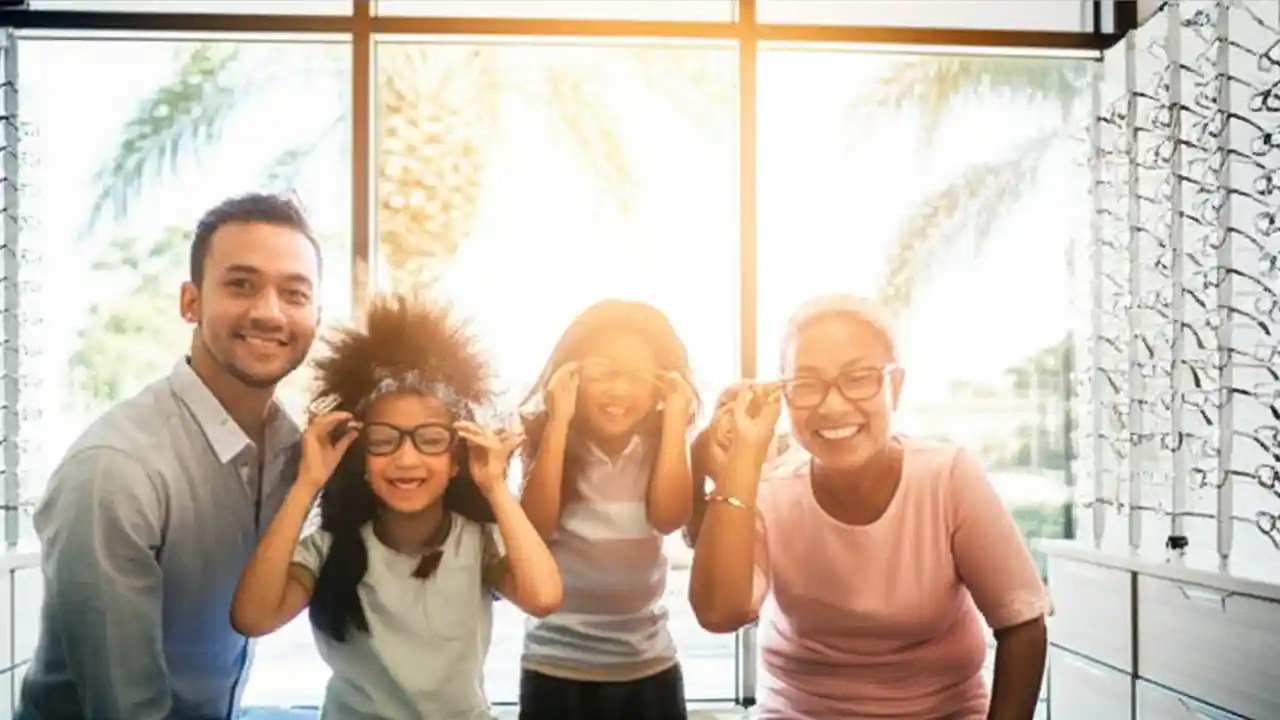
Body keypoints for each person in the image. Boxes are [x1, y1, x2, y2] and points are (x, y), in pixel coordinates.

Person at [18, 193, 324, 720]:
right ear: (190, 302)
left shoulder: (296, 455)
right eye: (241, 285)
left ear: (315, 316)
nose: (270, 313)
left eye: (294, 293)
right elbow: (124, 708)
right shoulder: (115, 469)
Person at [689, 294, 1052, 720]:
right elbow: (720, 612)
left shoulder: (947, 477)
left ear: (894, 388)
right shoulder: (769, 488)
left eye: (858, 378)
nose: (833, 405)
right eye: (806, 384)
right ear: (784, 398)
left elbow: (1022, 627)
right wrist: (742, 460)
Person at [230, 294, 562, 718]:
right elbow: (252, 619)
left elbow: (544, 597)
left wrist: (495, 488)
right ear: (361, 458)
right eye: (384, 440)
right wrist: (307, 484)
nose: (406, 459)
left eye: (430, 439)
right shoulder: (327, 549)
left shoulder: (478, 542)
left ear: (455, 459)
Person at [517, 299, 699, 720]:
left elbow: (670, 517)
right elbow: (534, 528)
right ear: (574, 377)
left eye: (637, 377)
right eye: (603, 373)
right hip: (555, 661)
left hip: (647, 662)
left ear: (660, 385)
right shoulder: (549, 442)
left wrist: (676, 423)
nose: (619, 390)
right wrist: (558, 420)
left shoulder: (660, 447)